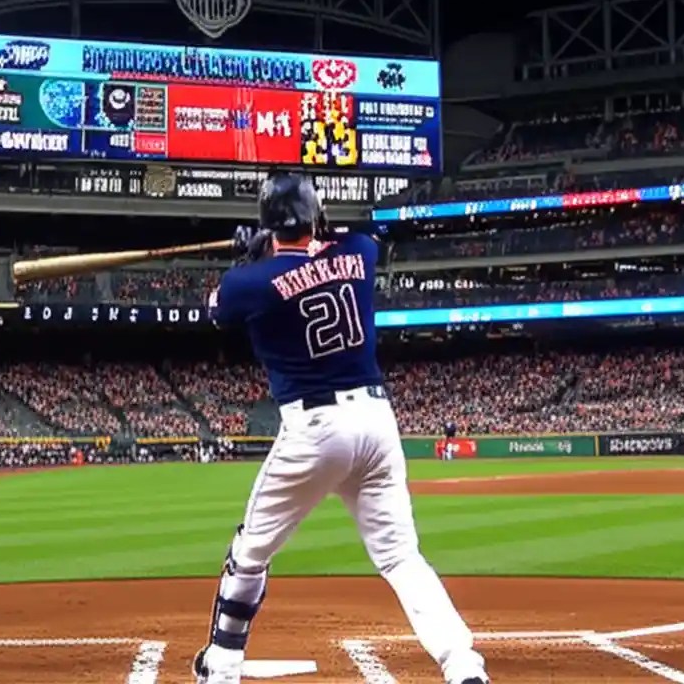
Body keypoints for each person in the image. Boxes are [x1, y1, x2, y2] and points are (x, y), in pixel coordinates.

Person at [194, 174, 489, 684]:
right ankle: (463, 665)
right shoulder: (360, 252)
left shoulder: (250, 284)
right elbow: (337, 243)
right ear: (314, 216)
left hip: (314, 428)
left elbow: (217, 309)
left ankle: (221, 665)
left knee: (250, 553)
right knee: (401, 556)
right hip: (377, 422)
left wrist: (250, 257)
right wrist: (274, 245)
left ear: (269, 224)